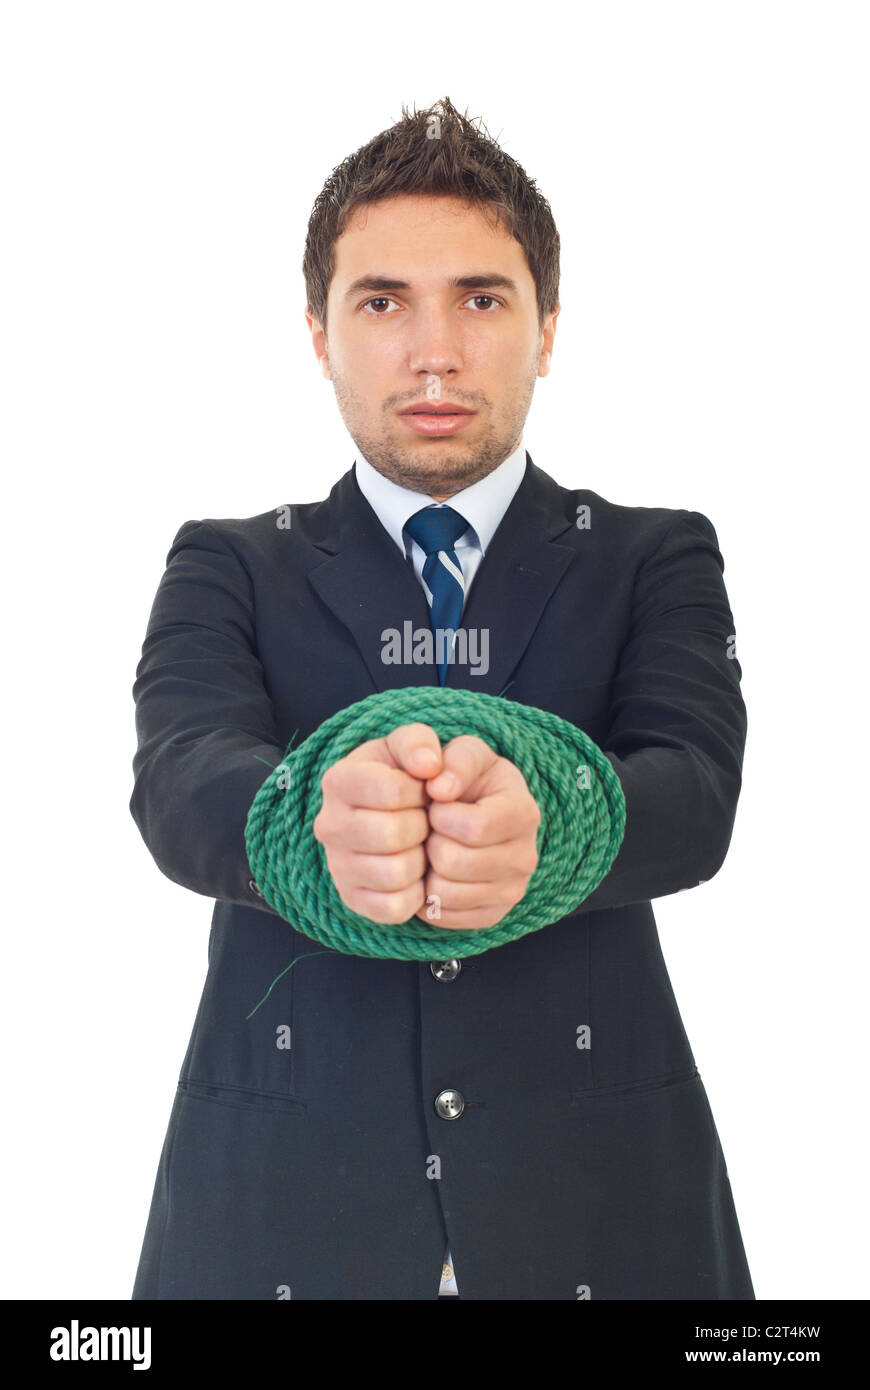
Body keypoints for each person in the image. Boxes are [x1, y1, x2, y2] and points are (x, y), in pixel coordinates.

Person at [129, 96, 754, 1300]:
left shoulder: (653, 553)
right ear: (318, 332)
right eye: (381, 303)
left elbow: (697, 788)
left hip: (601, 1208)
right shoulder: (227, 560)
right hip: (285, 1207)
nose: (435, 352)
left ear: (548, 327)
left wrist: (553, 819)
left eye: (480, 298)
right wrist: (315, 812)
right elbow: (179, 778)